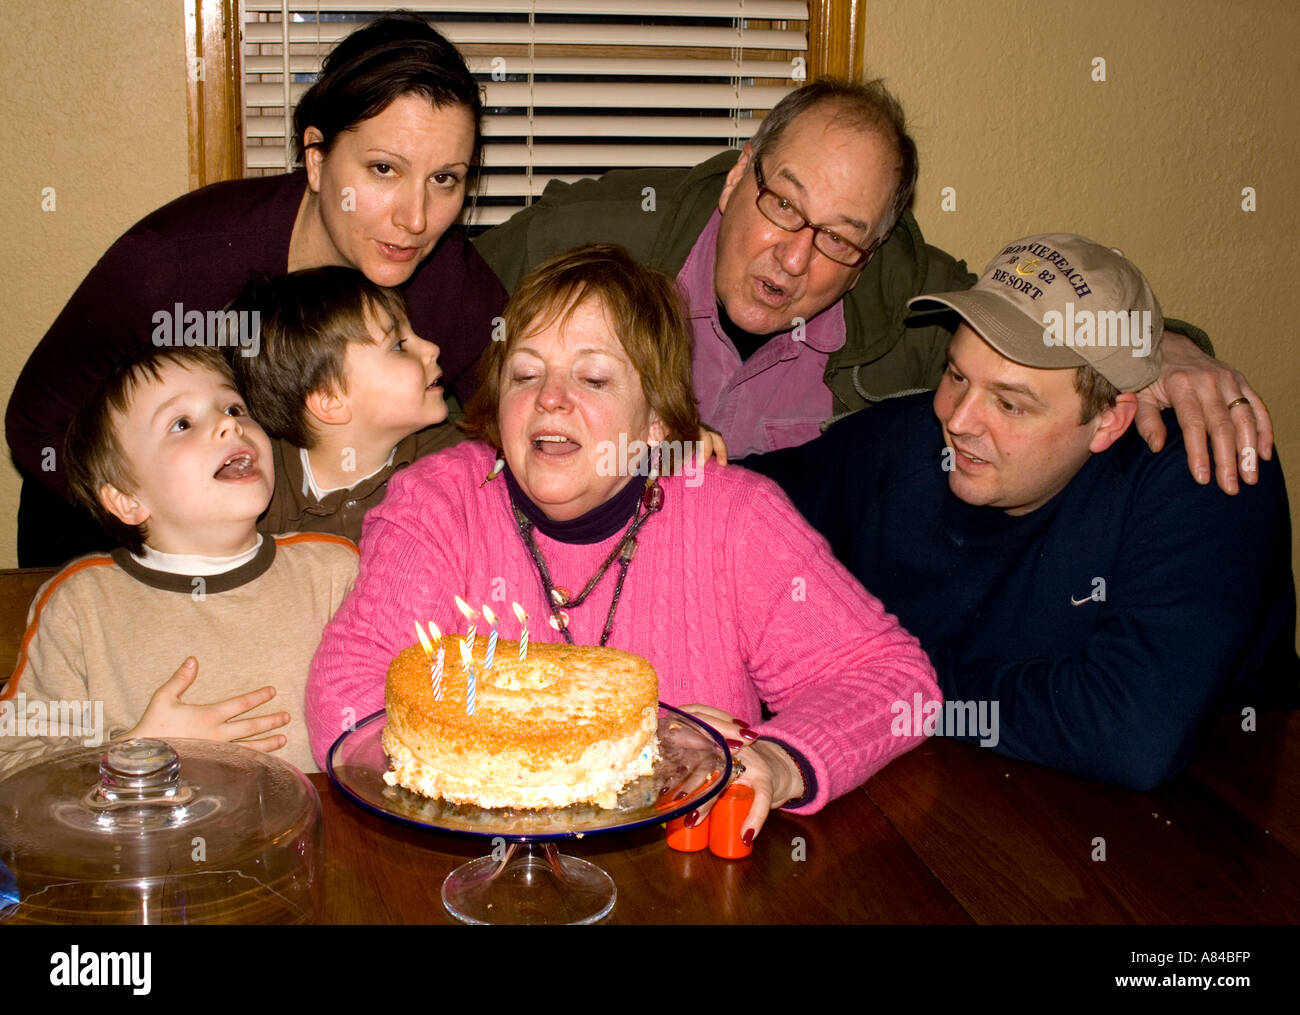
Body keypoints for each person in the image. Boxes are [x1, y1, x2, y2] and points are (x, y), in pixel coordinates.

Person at [306, 244, 938, 840]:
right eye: (525, 374)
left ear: (657, 418)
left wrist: (776, 759)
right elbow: (349, 692)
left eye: (595, 380)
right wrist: (586, 763)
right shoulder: (438, 502)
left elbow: (894, 681)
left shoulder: (735, 515)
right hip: (480, 871)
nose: (550, 399)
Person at [474, 79, 1272, 491]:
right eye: (782, 204)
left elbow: (1049, 324)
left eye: (839, 238)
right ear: (736, 176)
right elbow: (407, 320)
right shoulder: (592, 233)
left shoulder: (907, 296)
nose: (793, 257)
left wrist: (1163, 348)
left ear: (875, 247)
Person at [745, 234, 1299, 791]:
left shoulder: (1206, 472)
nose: (959, 419)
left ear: (1109, 420)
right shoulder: (907, 441)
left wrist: (886, 684)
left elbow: (1129, 731)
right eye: (957, 375)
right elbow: (735, 497)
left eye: (1010, 403)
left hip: (1217, 826)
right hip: (954, 796)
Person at [6, 12, 505, 566]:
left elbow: (523, 407)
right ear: (316, 159)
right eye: (384, 169)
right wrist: (158, 537)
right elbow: (35, 426)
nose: (415, 219)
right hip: (104, 537)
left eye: (444, 179)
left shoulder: (449, 281)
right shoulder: (171, 266)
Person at [0, 346, 358, 779]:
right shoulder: (81, 605)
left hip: (321, 839)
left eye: (234, 407)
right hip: (146, 843)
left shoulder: (334, 571)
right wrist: (133, 754)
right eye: (182, 423)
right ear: (127, 500)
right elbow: (14, 769)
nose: (230, 424)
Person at [228, 268, 459, 545]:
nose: (431, 348)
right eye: (398, 346)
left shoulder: (459, 460)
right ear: (331, 400)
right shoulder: (260, 489)